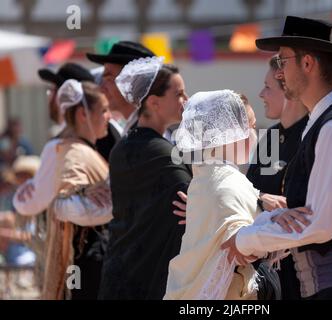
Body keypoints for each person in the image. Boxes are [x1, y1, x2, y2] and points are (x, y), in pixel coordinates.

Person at [222, 16, 332, 300]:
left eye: (283, 61)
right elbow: (308, 214)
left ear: (307, 63)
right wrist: (267, 222)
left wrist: (247, 239)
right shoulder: (321, 125)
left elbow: (320, 224)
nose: (279, 73)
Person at [98, 57, 192, 299]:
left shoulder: (125, 145)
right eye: (179, 94)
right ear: (154, 102)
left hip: (120, 272)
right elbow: (194, 199)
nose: (187, 100)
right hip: (146, 279)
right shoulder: (159, 151)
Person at [13, 80, 113, 299]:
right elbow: (60, 204)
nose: (109, 116)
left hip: (91, 256)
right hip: (82, 256)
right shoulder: (66, 150)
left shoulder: (77, 149)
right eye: (104, 110)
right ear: (82, 114)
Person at [164, 90, 265, 300]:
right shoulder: (229, 182)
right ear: (233, 133)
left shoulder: (204, 172)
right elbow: (247, 249)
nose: (255, 135)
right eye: (252, 127)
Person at [246, 56, 309, 299]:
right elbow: (249, 190)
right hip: (270, 270)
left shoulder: (314, 136)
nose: (261, 94)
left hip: (304, 270)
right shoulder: (270, 138)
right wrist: (261, 198)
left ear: (288, 92)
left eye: (268, 87)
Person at [86, 41, 156, 135]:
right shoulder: (135, 130)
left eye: (109, 79)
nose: (101, 88)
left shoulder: (147, 135)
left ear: (133, 83)